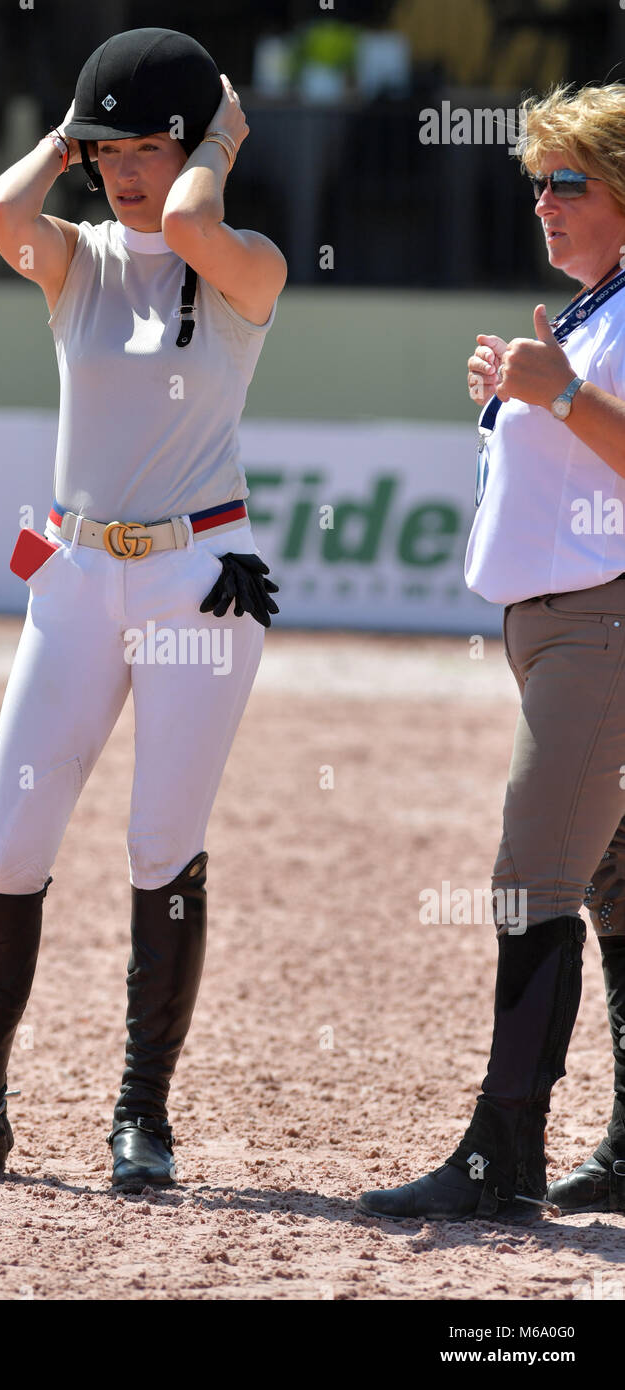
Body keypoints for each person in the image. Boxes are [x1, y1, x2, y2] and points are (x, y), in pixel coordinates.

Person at [0, 27, 286, 1192]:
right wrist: (67, 130)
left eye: (151, 146)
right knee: (7, 843)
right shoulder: (75, 259)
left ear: (193, 149)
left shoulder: (244, 260)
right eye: (111, 149)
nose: (128, 169)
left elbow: (188, 225)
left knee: (158, 844)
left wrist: (218, 142)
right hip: (76, 573)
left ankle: (142, 1116)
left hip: (200, 577)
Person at [358, 81, 625, 1222]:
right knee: (612, 889)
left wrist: (552, 391)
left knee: (531, 881)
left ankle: (499, 1150)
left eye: (569, 183)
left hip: (599, 628)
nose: (545, 205)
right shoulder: (592, 306)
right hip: (559, 627)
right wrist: (521, 394)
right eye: (536, 186)